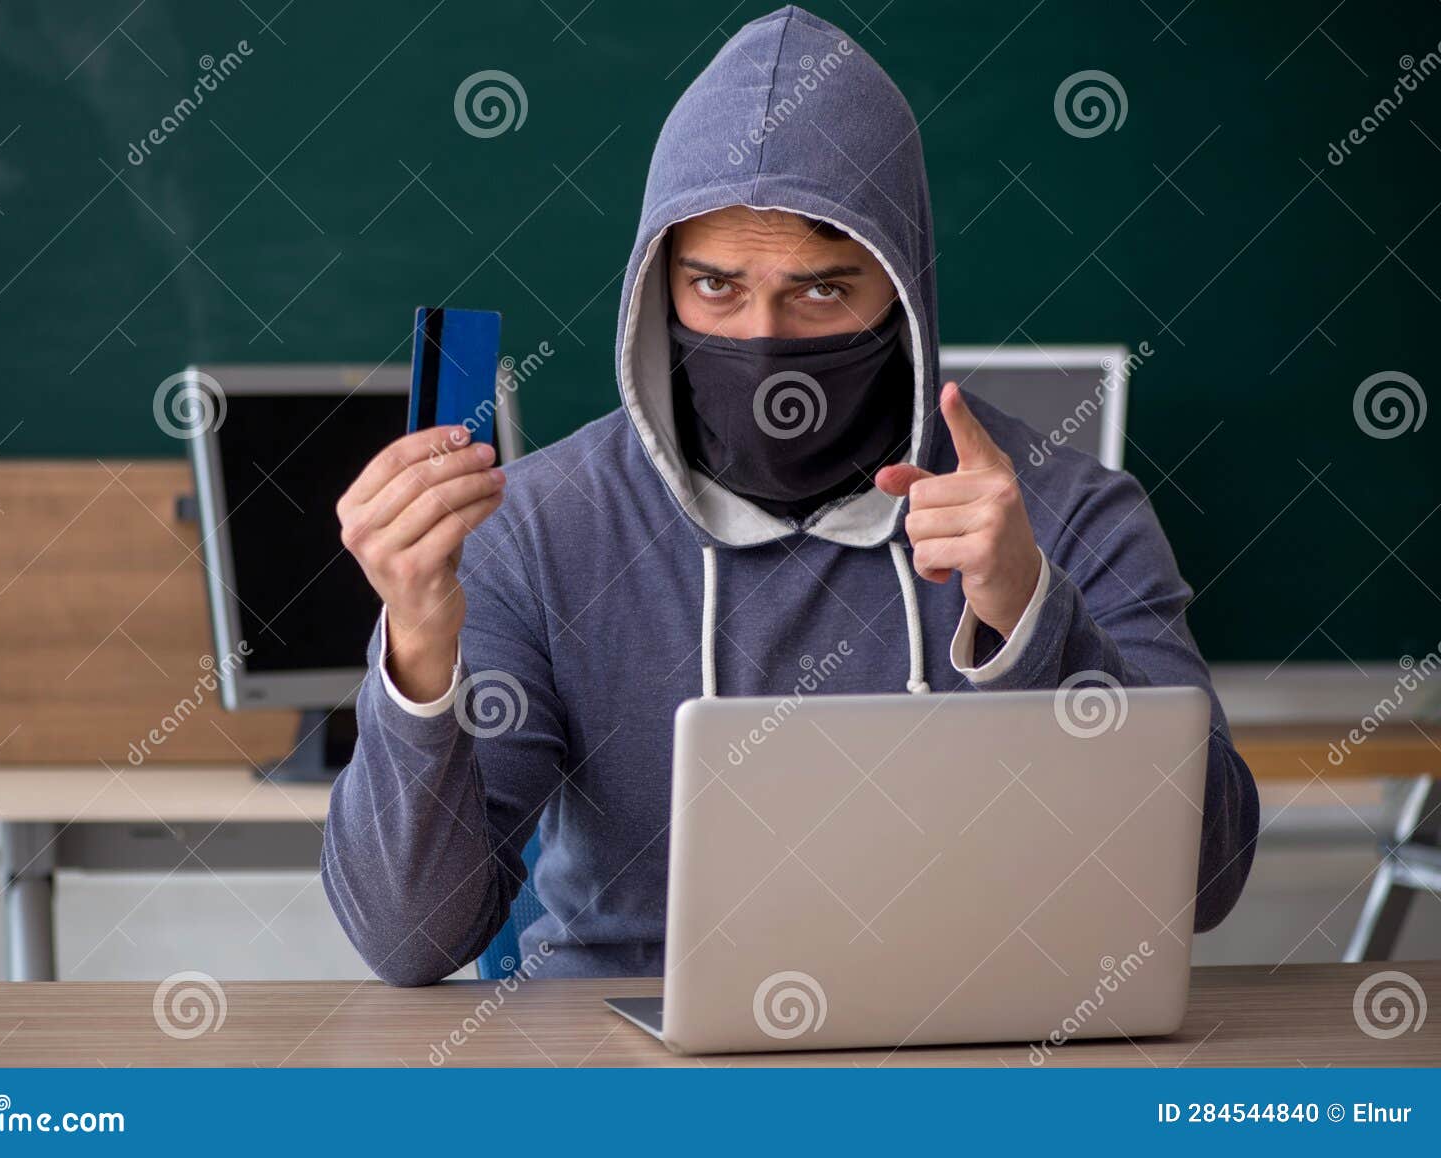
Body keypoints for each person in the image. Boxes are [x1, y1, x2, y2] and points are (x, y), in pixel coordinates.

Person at [322, 5, 1258, 985]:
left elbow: (1204, 883)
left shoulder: (1065, 510)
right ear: (656, 289)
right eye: (715, 287)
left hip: (976, 1049)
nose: (762, 341)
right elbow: (410, 939)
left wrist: (1032, 616)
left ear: (903, 296)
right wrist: (419, 651)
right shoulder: (538, 529)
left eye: (820, 291)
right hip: (630, 1072)